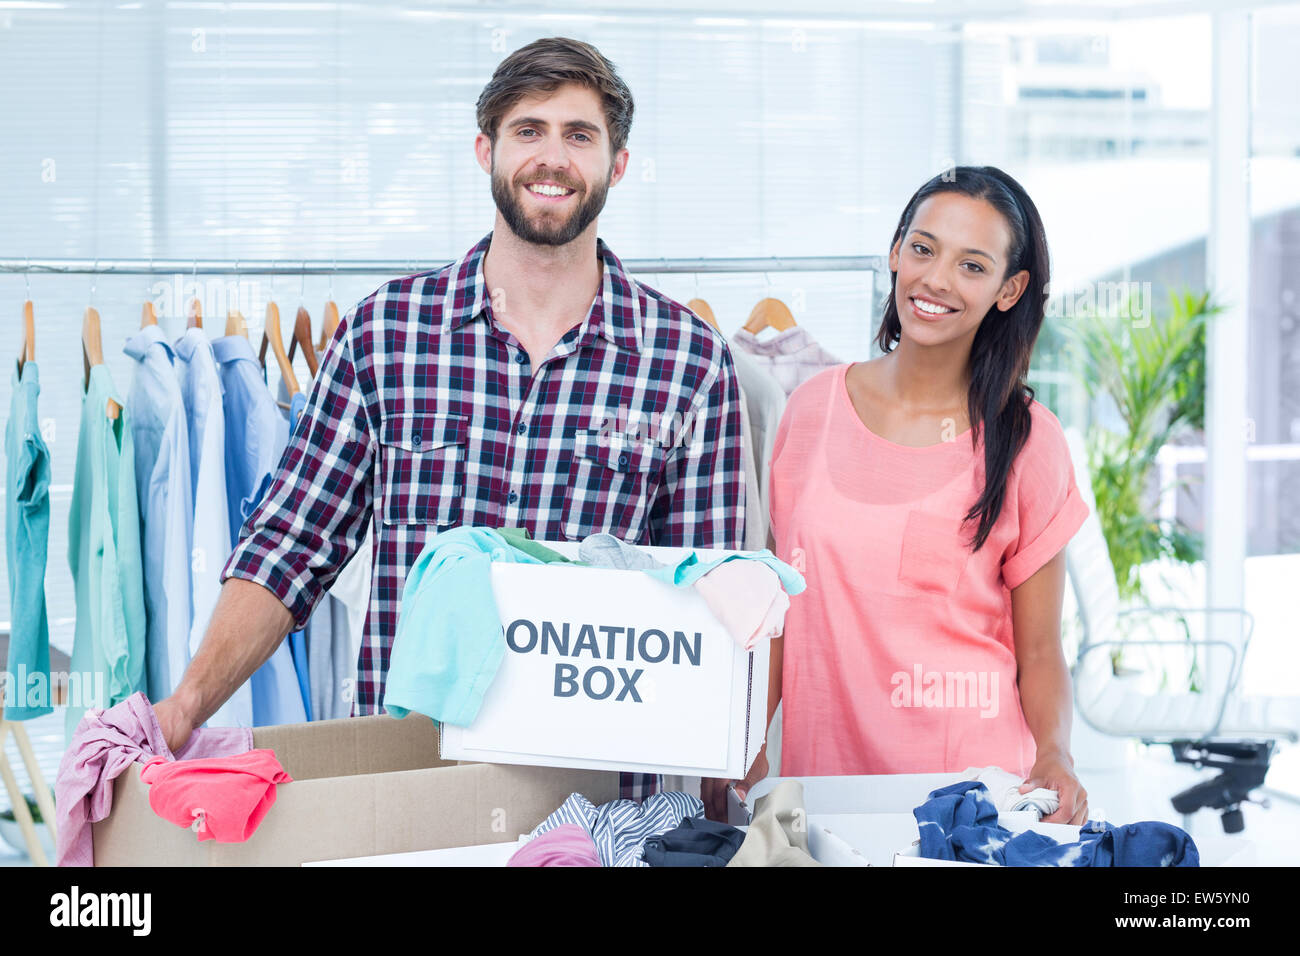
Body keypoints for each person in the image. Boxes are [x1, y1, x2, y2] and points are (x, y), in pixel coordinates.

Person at [153, 37, 746, 801]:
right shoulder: (384, 334)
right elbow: (291, 544)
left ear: (618, 163)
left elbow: (709, 595)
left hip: (601, 799)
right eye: (528, 131)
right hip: (408, 783)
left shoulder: (686, 360)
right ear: (485, 150)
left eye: (580, 135)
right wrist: (188, 704)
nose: (552, 157)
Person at [705, 166, 1090, 824]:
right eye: (923, 248)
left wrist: (1056, 753)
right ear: (895, 251)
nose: (936, 280)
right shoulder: (810, 410)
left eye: (973, 266)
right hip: (821, 789)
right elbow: (778, 609)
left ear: (1009, 289)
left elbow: (1040, 649)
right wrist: (743, 742)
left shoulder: (1027, 440)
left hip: (971, 797)